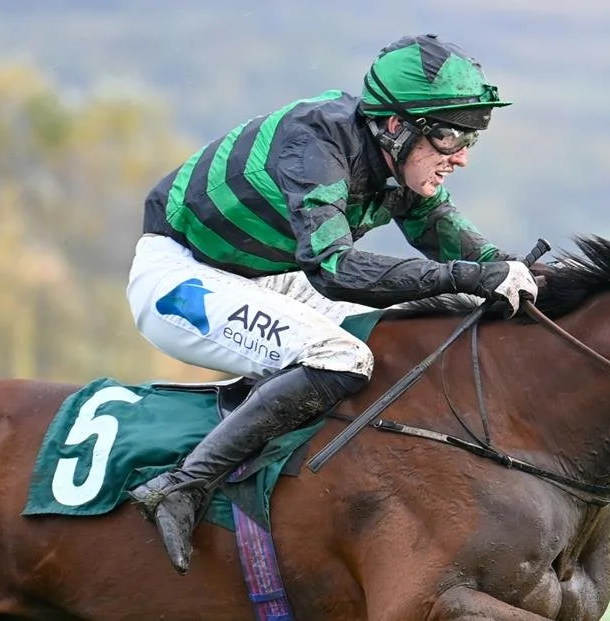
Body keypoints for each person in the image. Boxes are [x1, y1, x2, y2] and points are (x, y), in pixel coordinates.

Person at [125, 33, 537, 574]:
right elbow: (335, 269)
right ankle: (182, 486)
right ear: (395, 125)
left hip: (267, 276)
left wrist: (523, 275)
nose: (460, 156)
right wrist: (470, 276)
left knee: (398, 338)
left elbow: (448, 236)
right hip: (181, 278)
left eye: (470, 138)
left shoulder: (397, 160)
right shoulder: (314, 144)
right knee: (342, 357)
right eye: (448, 136)